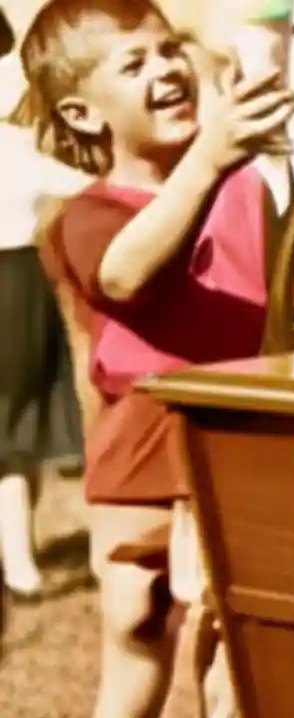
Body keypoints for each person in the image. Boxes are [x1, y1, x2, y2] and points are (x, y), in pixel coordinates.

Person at [17, 0, 294, 716]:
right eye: (134, 62)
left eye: (169, 49)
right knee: (135, 630)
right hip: (142, 453)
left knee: (237, 642)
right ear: (85, 115)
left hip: (242, 438)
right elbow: (124, 274)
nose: (166, 68)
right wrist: (210, 159)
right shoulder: (87, 213)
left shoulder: (242, 188)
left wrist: (276, 169)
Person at [0, 4, 90, 604]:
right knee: (13, 421)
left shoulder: (14, 113)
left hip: (15, 269)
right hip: (10, 270)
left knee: (16, 419)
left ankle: (18, 554)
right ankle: (17, 559)